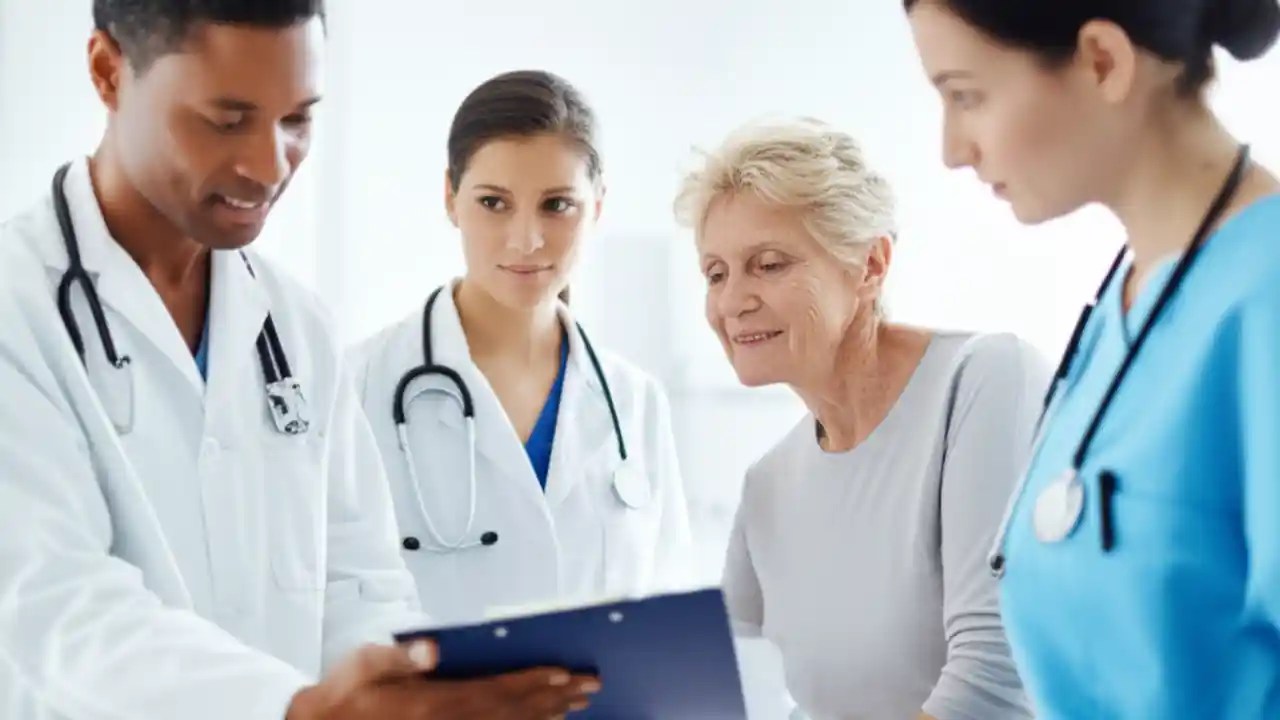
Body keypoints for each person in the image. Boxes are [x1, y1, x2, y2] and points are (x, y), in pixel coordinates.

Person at [0, 3, 599, 718]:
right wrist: (299, 708)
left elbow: (361, 584)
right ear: (108, 71)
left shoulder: (295, 327)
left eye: (297, 119)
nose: (270, 165)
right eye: (227, 121)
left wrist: (404, 688)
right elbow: (50, 607)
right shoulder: (18, 309)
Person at [904, 0, 1280, 716]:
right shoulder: (1127, 299)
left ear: (1102, 61)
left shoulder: (1265, 299)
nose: (951, 149)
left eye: (966, 96)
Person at [673, 117, 1044, 719]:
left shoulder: (983, 381)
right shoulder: (768, 485)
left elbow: (990, 686)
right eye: (716, 274)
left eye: (769, 264)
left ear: (870, 264)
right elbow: (719, 694)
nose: (732, 301)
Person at [350, 70, 693, 626]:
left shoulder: (636, 404)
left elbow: (665, 612)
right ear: (450, 198)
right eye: (494, 202)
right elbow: (335, 607)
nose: (526, 240)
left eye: (557, 205)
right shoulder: (359, 386)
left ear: (597, 206)